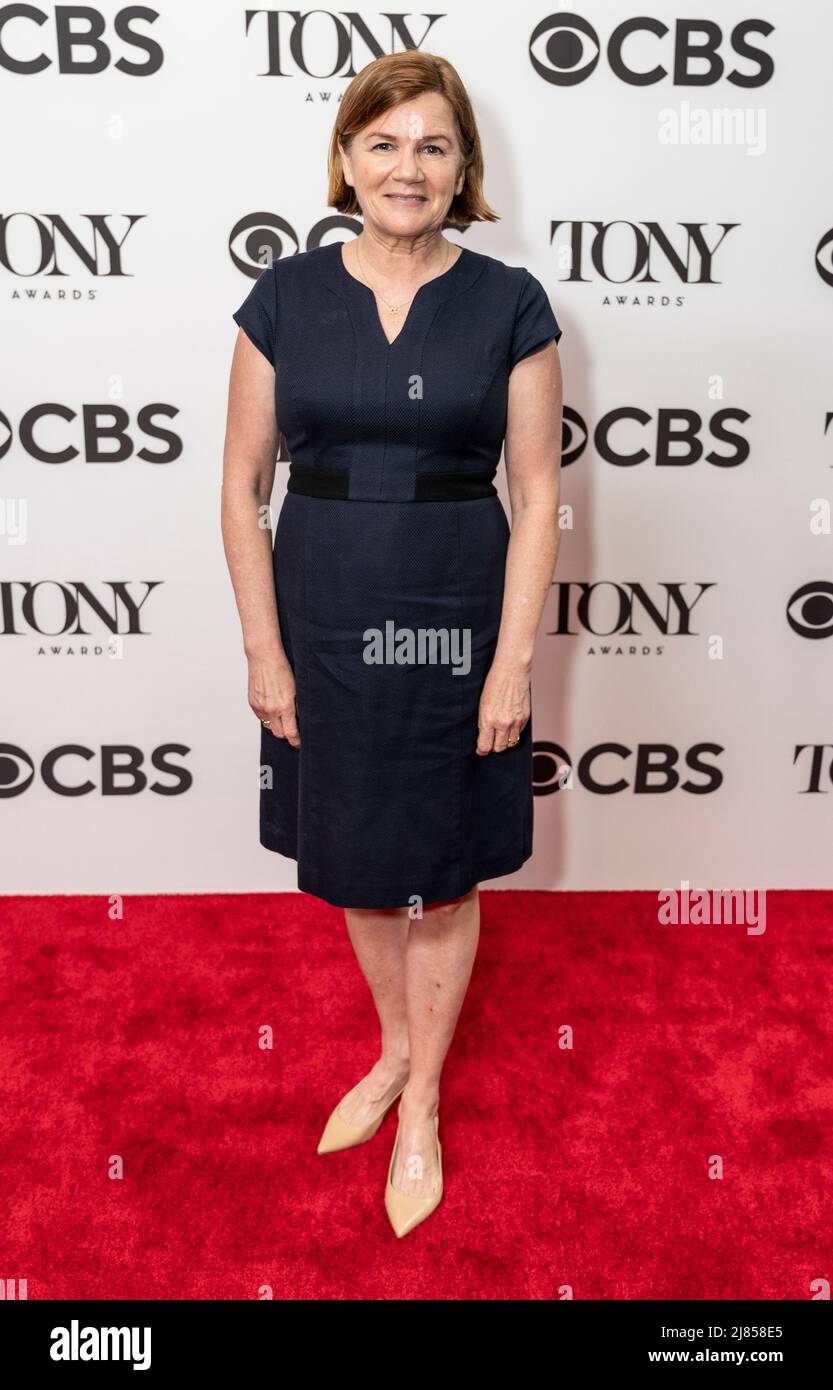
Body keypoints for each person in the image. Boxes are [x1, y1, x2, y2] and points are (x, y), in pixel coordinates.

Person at [222, 50, 563, 1238]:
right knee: (363, 860)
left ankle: (419, 1100)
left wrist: (512, 660)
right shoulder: (281, 295)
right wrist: (263, 650)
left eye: (430, 144)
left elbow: (534, 495)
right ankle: (391, 1051)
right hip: (320, 620)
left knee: (446, 864)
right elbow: (238, 483)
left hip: (458, 616)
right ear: (346, 159)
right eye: (382, 142)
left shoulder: (508, 303)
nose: (405, 167)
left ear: (462, 165)